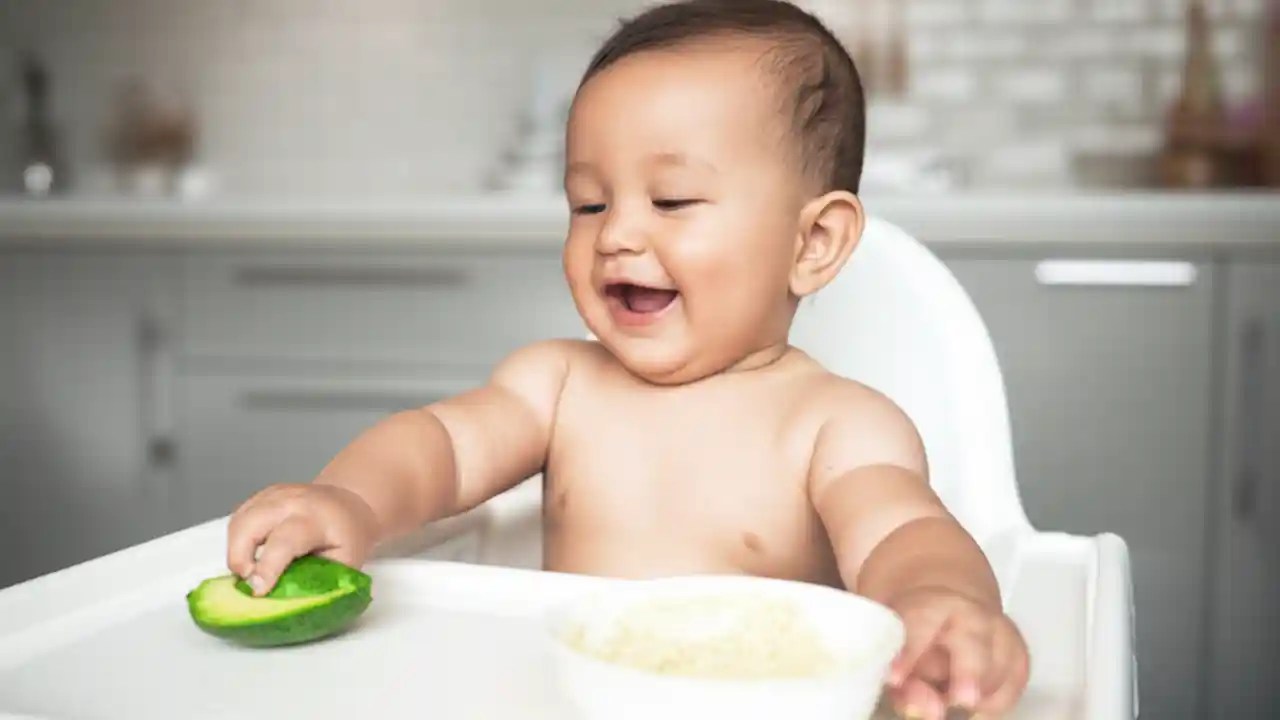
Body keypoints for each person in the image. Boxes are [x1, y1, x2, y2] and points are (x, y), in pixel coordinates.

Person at [225, 2, 1029, 717]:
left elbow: (905, 534)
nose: (617, 234)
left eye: (672, 200)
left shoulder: (837, 425)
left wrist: (939, 604)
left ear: (813, 241)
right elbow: (438, 444)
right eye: (590, 203)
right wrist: (349, 499)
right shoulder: (557, 385)